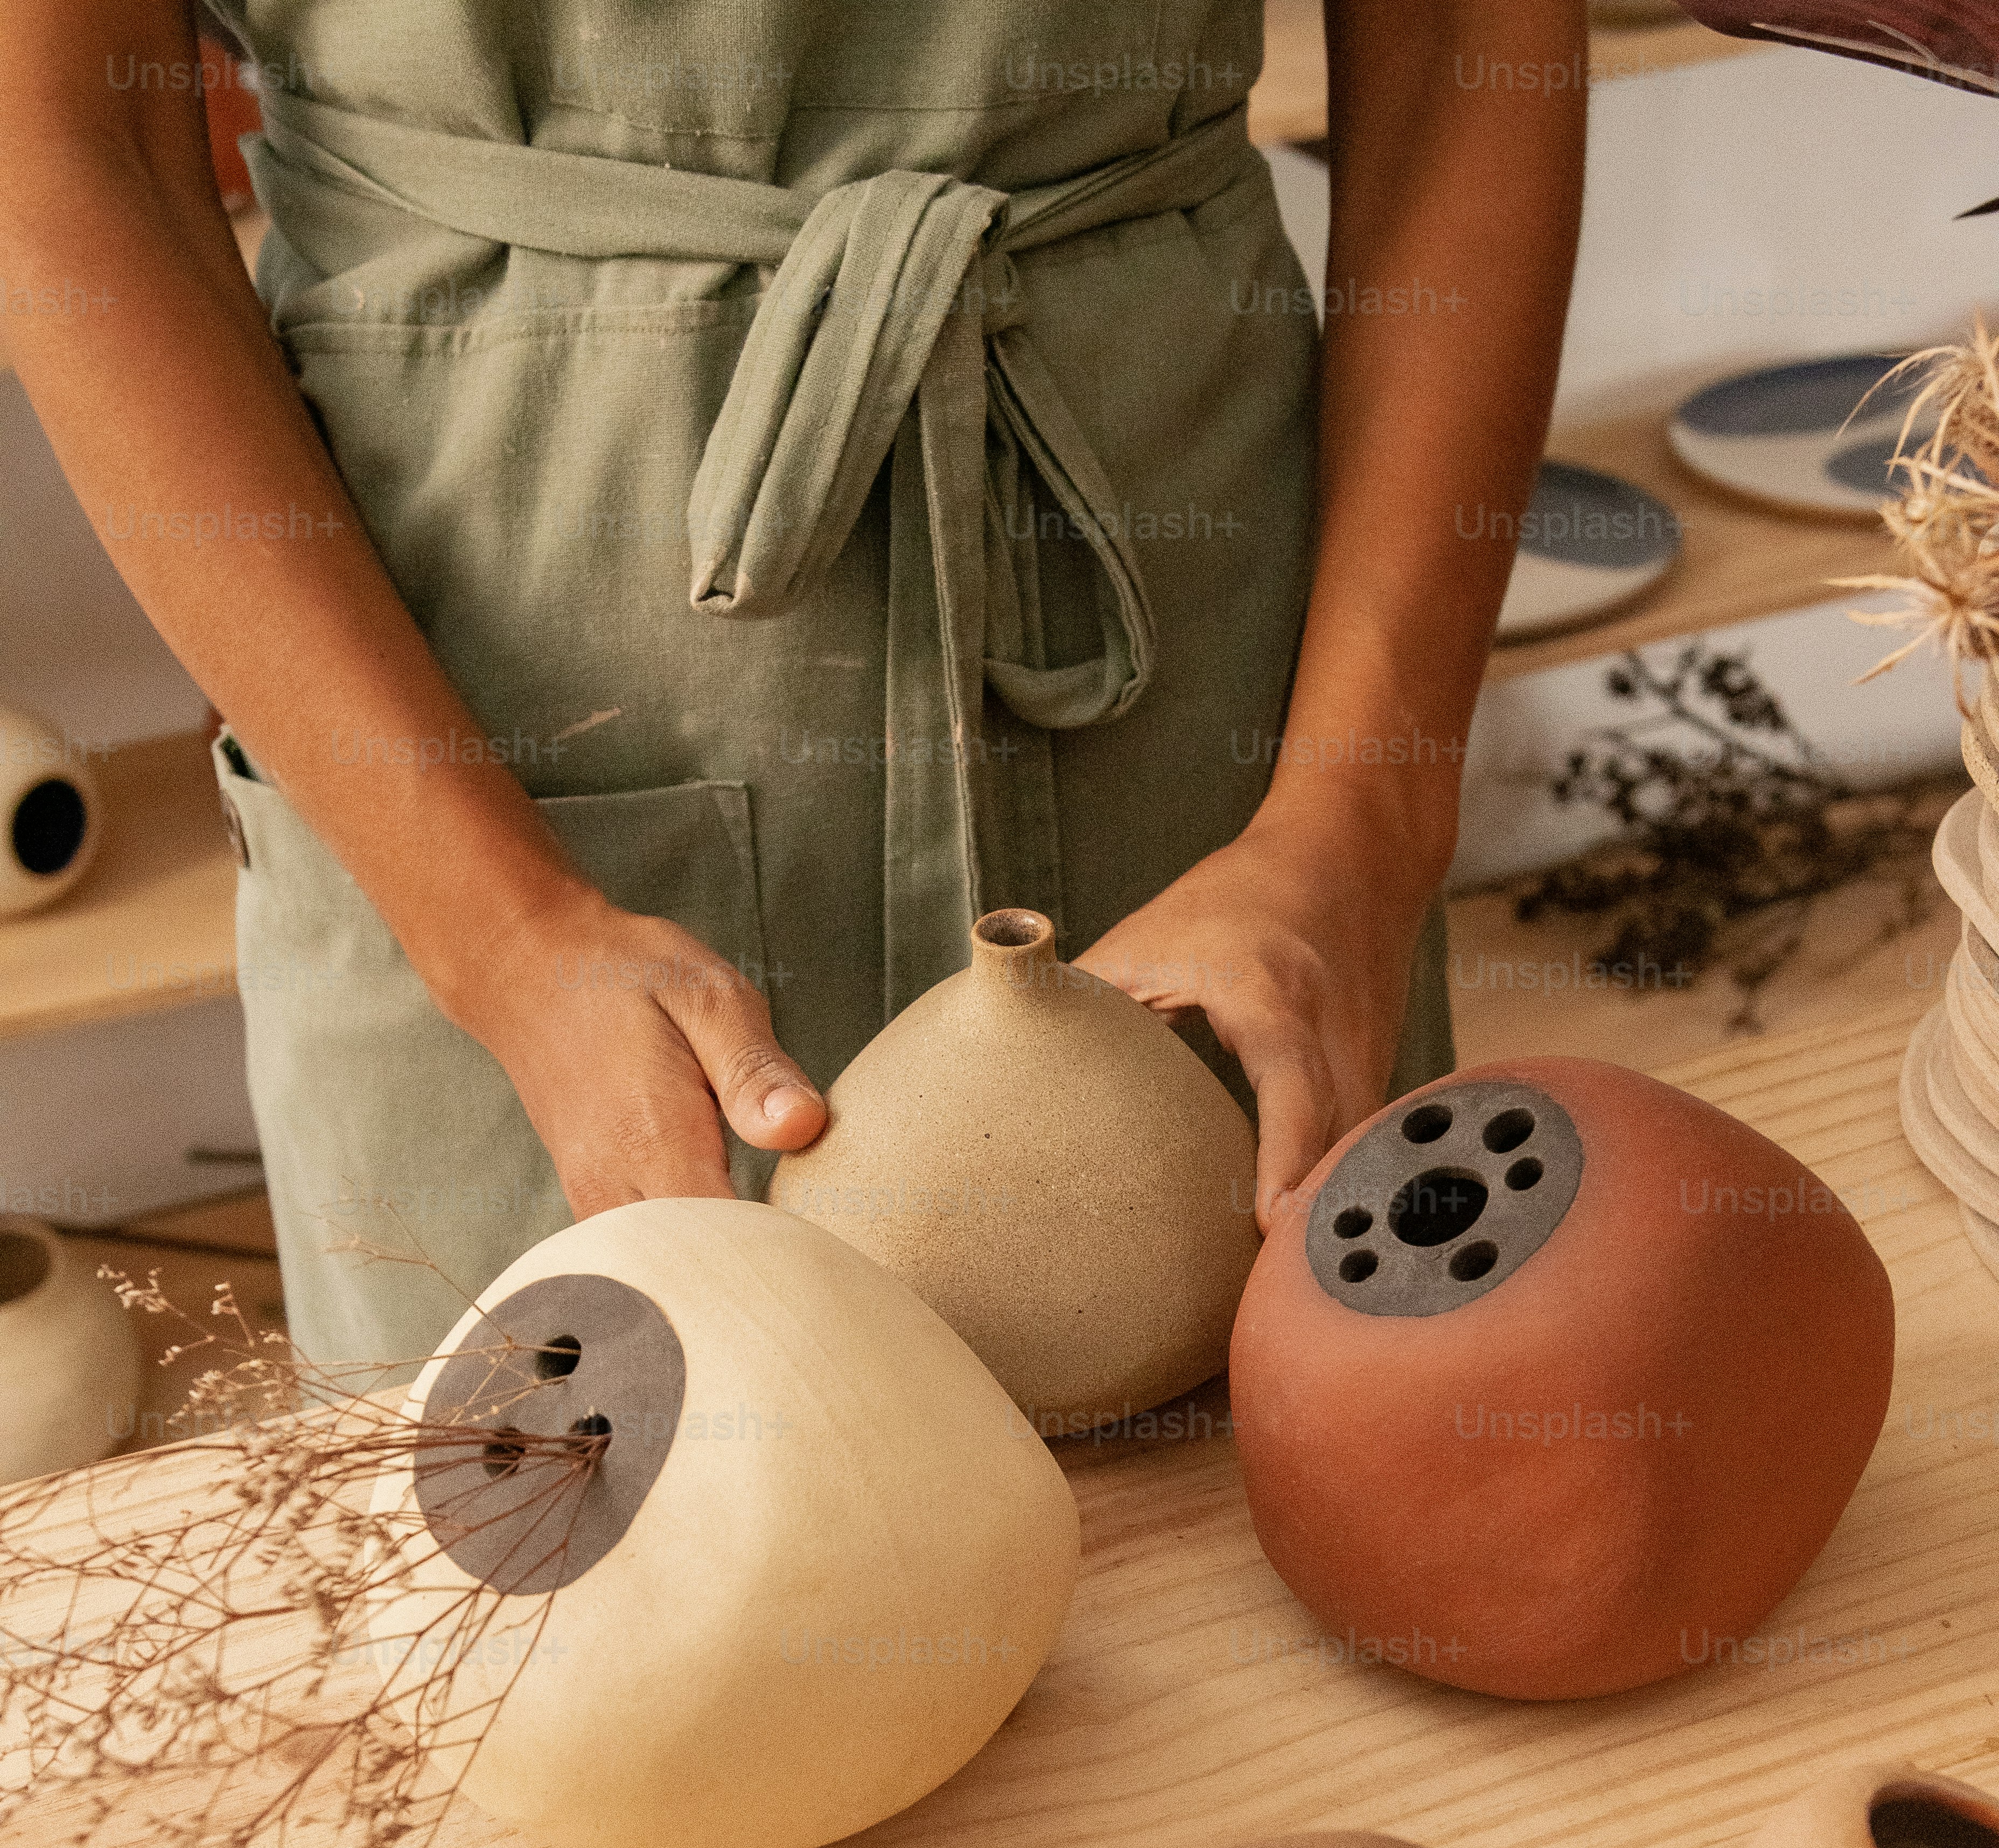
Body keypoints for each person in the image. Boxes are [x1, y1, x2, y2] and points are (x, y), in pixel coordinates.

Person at [3, 1, 1585, 1371]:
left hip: (1220, 728)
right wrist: (497, 935)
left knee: (1302, 1542)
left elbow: (1470, 47)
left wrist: (1359, 820)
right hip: (472, 755)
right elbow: (68, 152)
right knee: (580, 1569)